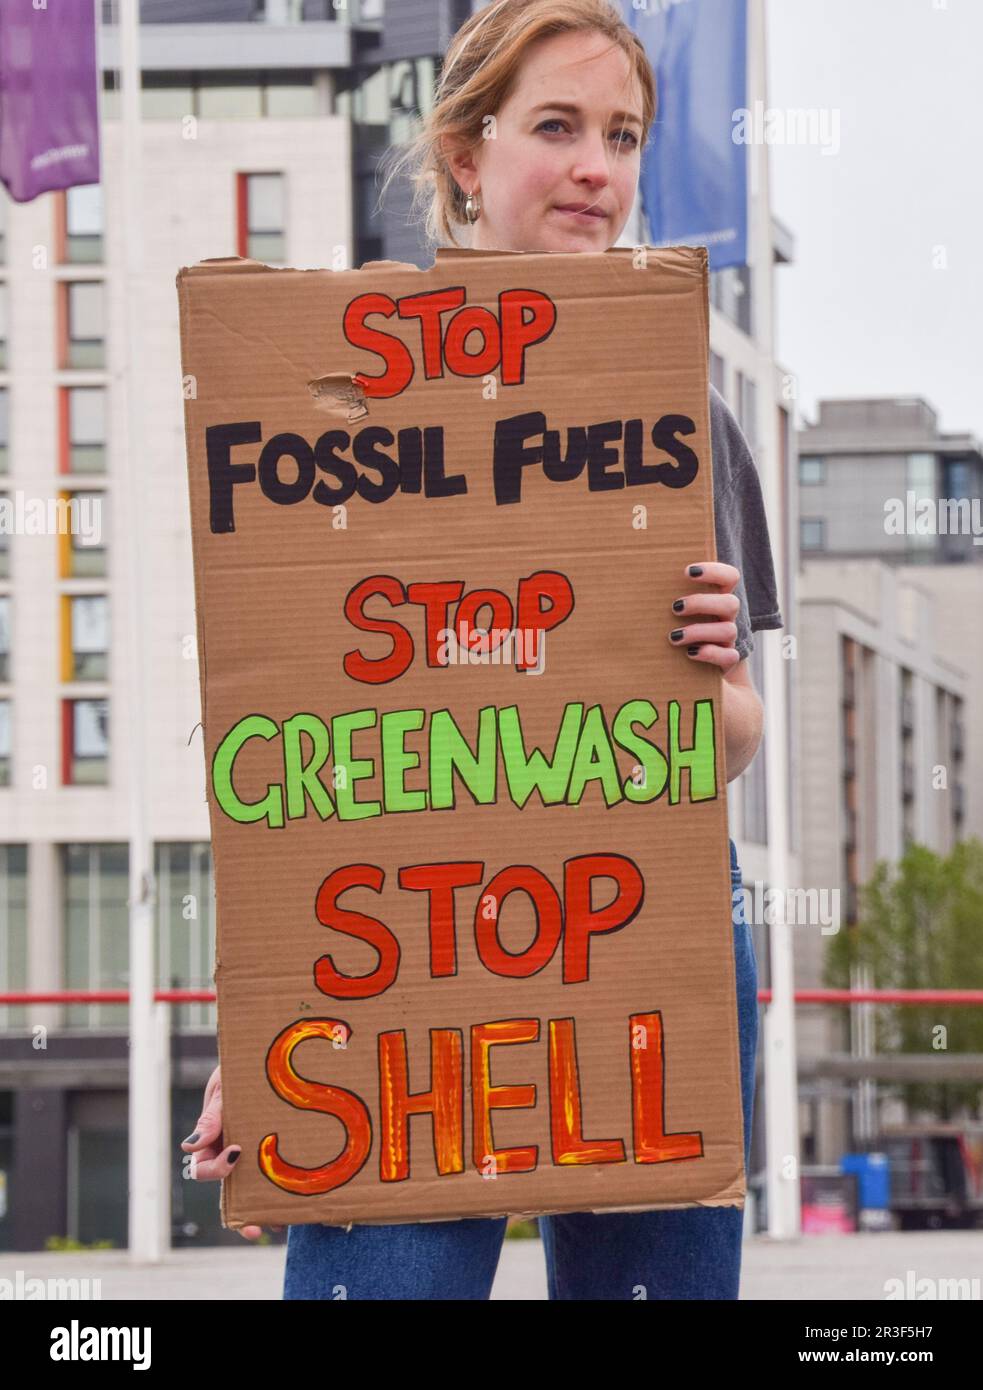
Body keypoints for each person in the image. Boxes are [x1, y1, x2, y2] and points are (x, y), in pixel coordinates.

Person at [181, 0, 784, 1299]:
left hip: (645, 944)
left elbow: (726, 750)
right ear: (466, 154)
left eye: (622, 135)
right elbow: (296, 759)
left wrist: (723, 681)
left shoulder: (680, 407)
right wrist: (268, 1023)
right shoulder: (328, 390)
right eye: (556, 126)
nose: (596, 168)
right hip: (394, 960)